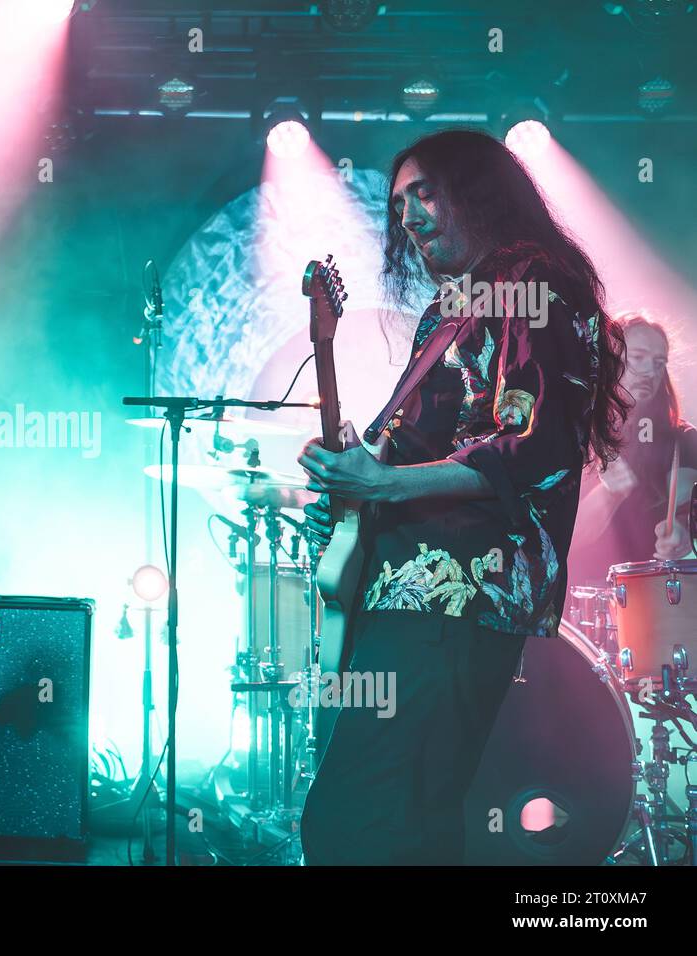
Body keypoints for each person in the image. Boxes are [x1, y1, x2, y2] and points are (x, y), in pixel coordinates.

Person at [296, 129, 629, 864]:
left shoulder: (532, 283)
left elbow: (534, 446)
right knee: (414, 820)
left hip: (460, 591)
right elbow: (414, 455)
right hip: (415, 588)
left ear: (479, 192)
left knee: (353, 818)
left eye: (424, 194)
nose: (408, 218)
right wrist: (355, 488)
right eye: (397, 204)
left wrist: (381, 482)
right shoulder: (451, 311)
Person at [567, 311, 697, 587]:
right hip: (577, 604)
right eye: (638, 358)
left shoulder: (682, 439)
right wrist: (609, 495)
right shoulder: (573, 433)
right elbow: (558, 542)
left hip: (654, 603)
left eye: (658, 362)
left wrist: (684, 532)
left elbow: (685, 503)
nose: (650, 371)